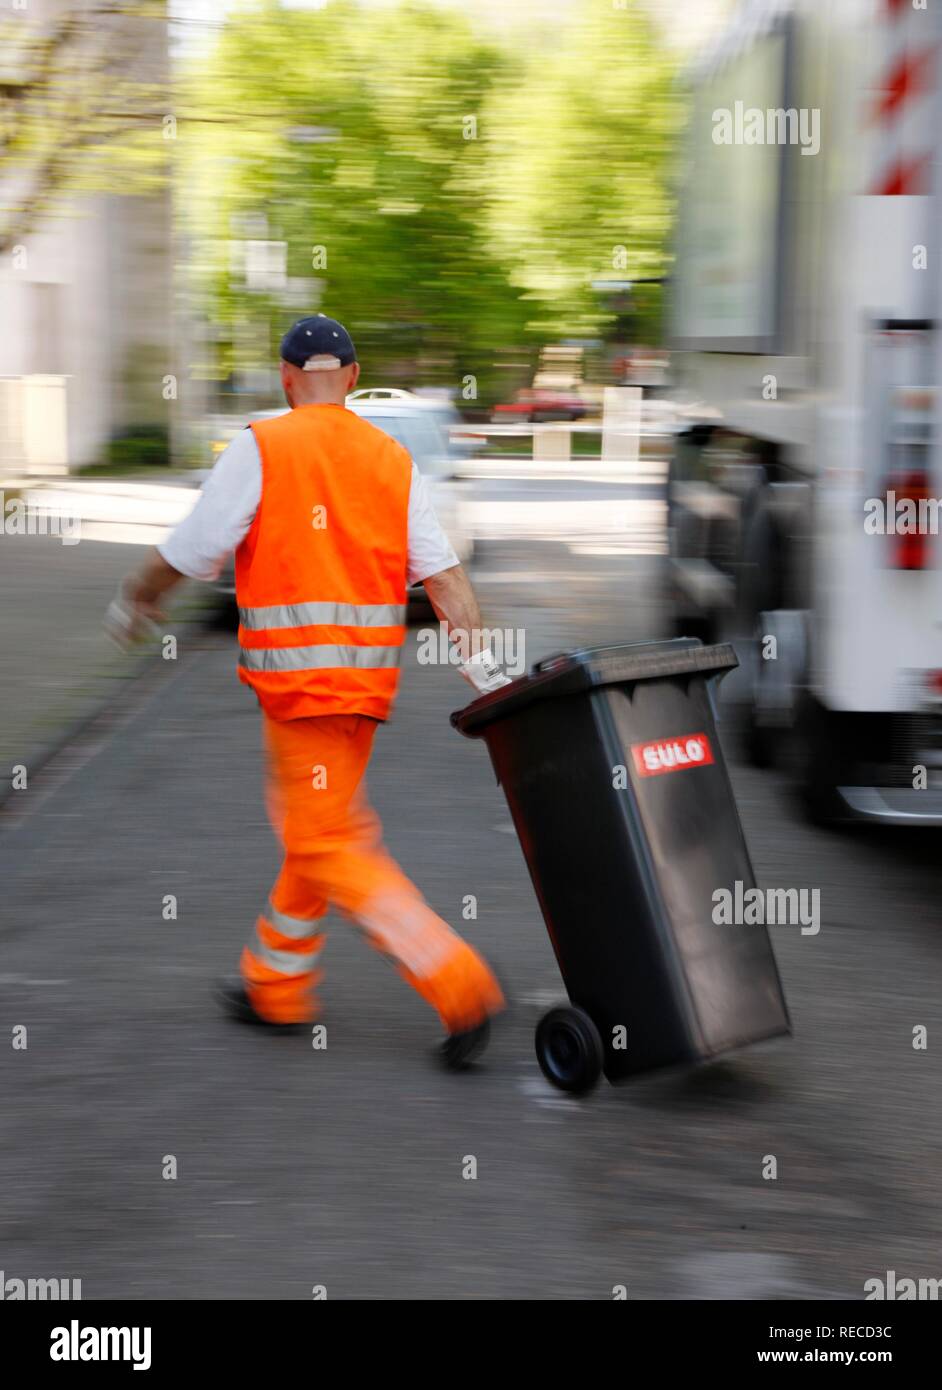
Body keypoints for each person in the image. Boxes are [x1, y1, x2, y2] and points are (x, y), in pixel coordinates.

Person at [111, 314, 508, 1067]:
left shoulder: (262, 447)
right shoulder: (392, 459)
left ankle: (460, 983)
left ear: (286, 377)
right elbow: (445, 576)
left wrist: (136, 595)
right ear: (353, 379)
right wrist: (478, 657)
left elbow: (192, 549)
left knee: (324, 840)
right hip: (364, 694)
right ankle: (275, 984)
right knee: (317, 833)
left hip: (299, 693)